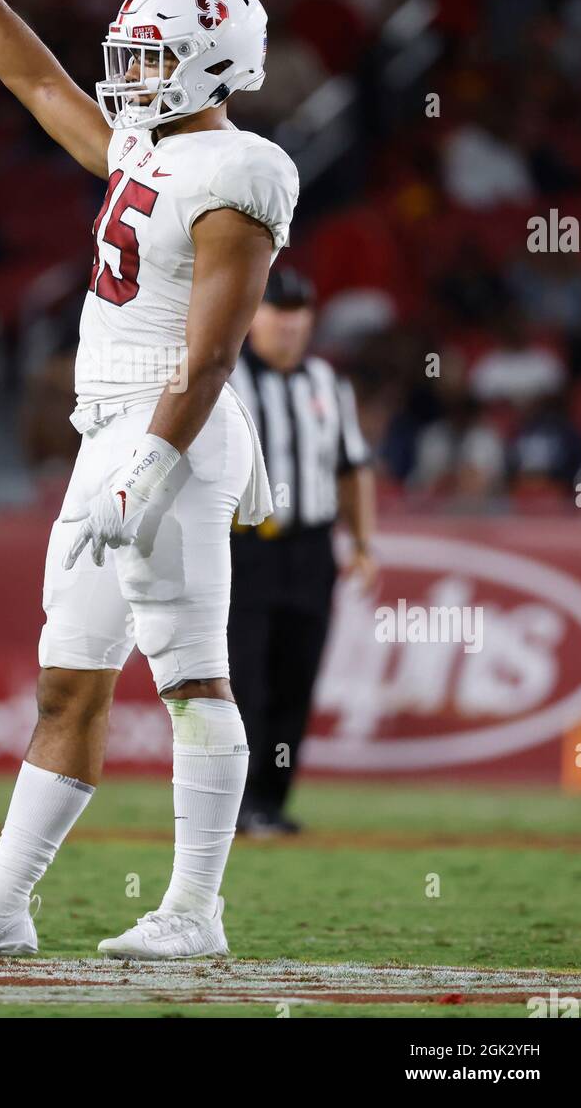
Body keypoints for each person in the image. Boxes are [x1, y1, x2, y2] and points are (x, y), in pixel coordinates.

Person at [0, 0, 299, 960]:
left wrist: (151, 461)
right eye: (132, 57)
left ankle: (194, 913)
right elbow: (34, 80)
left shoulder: (239, 169)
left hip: (173, 435)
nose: (132, 78)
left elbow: (209, 353)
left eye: (154, 59)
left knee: (193, 674)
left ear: (212, 64)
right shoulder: (148, 150)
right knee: (69, 675)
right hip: (108, 434)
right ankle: (2, 905)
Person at [228, 267, 377, 835]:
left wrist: (363, 542)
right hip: (246, 547)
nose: (288, 325)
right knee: (246, 680)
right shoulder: (225, 379)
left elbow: (352, 466)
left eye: (297, 314)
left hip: (312, 549)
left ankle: (272, 801)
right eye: (276, 312)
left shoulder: (327, 382)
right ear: (251, 316)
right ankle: (236, 806)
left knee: (298, 677)